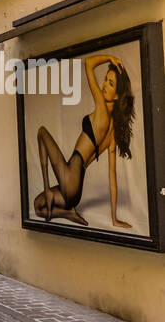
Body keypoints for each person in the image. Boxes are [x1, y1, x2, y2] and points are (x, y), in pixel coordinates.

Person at [34, 54, 135, 228]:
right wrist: (114, 218)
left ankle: (51, 192)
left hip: (71, 177)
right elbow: (112, 176)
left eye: (110, 84)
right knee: (38, 206)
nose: (103, 85)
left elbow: (88, 63)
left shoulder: (102, 111)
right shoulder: (113, 133)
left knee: (42, 132)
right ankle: (67, 212)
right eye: (105, 80)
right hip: (75, 188)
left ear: (117, 96)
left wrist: (110, 58)